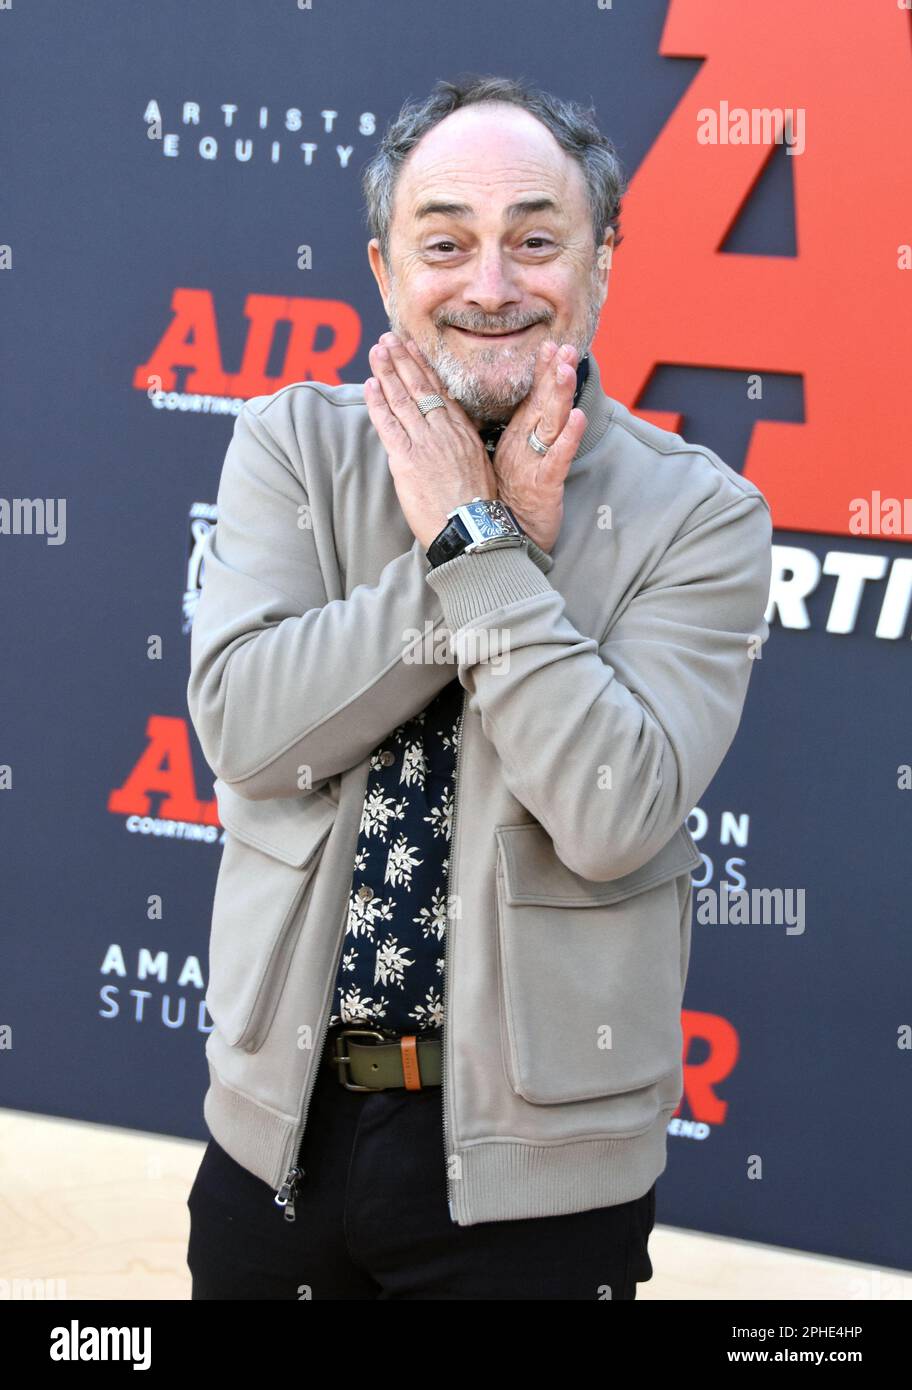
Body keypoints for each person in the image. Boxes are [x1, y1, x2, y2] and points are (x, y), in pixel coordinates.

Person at [185, 73, 772, 1299]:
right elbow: (248, 733)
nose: (491, 286)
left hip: (540, 1192)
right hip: (276, 1145)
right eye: (445, 242)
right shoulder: (288, 443)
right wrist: (482, 539)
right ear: (385, 271)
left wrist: (469, 545)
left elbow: (614, 814)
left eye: (536, 241)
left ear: (602, 262)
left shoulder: (703, 516)